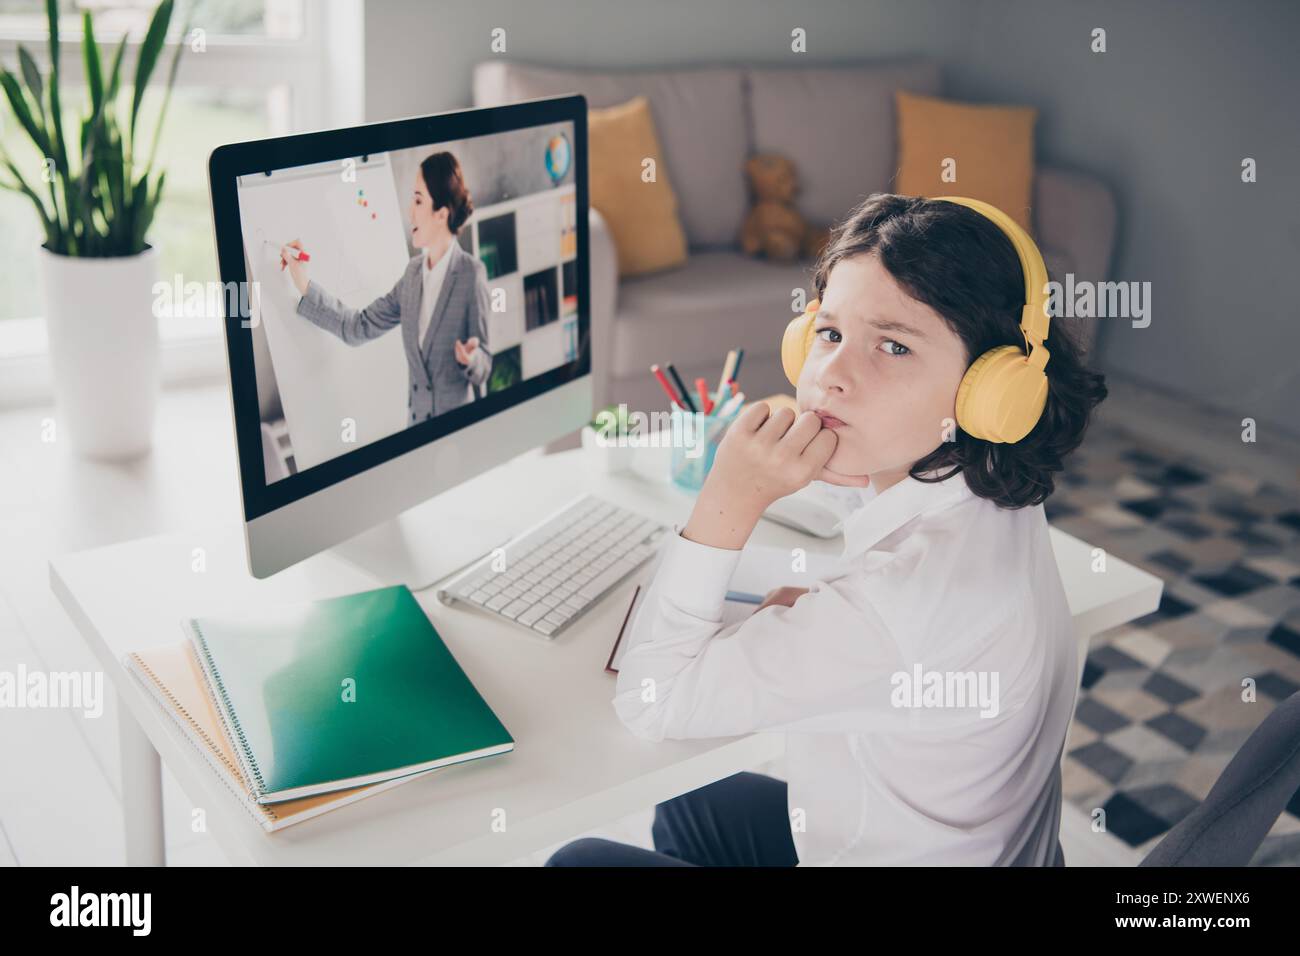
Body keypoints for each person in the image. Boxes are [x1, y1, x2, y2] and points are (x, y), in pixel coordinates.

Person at [547, 193, 1107, 867]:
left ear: (991, 390)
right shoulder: (989, 493)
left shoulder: (904, 606)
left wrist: (730, 495)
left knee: (578, 860)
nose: (832, 375)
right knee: (690, 803)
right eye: (831, 334)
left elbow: (651, 701)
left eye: (894, 346)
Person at [280, 151, 492, 424]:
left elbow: (484, 366)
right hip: (416, 434)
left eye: (418, 201)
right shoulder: (413, 275)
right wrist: (303, 283)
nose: (410, 212)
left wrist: (471, 360)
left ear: (441, 214)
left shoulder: (470, 275)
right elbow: (357, 327)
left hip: (458, 436)